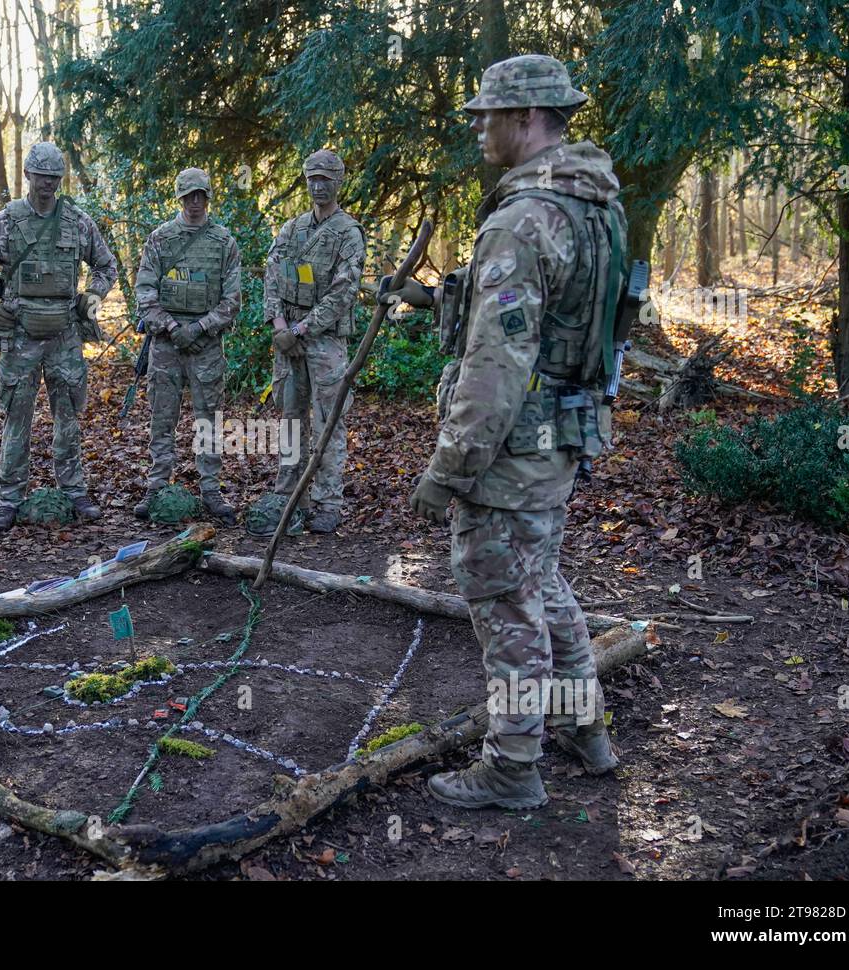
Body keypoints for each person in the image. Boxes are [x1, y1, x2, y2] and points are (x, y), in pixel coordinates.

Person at [385, 54, 625, 809]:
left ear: (527, 118)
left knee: (507, 605)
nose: (479, 128)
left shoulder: (524, 220)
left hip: (512, 452)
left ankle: (513, 767)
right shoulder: (596, 206)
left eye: (489, 114)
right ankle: (586, 732)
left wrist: (448, 468)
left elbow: (496, 366)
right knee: (545, 587)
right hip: (564, 435)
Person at [0, 142, 118, 530]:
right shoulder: (5, 223)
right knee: (17, 416)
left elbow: (106, 266)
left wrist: (92, 300)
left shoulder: (77, 222)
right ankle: (8, 498)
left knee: (68, 415)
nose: (47, 183)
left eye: (53, 177)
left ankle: (74, 490)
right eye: (40, 175)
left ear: (59, 180)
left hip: (65, 333)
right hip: (19, 337)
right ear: (27, 176)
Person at [260, 149, 366, 534]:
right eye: (312, 179)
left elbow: (342, 294)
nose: (318, 186)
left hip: (324, 344)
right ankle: (290, 495)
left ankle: (327, 501)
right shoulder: (291, 229)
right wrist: (278, 325)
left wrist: (301, 329)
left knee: (327, 424)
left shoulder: (348, 233)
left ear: (339, 182)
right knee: (290, 422)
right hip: (288, 342)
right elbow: (271, 276)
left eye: (326, 179)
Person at [132, 167, 242, 525]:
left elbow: (232, 299)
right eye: (188, 196)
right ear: (179, 198)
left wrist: (198, 329)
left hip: (205, 346)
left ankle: (211, 489)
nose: (195, 203)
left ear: (208, 197)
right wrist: (170, 326)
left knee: (208, 420)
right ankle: (157, 486)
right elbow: (144, 291)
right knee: (162, 417)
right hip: (166, 345)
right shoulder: (161, 239)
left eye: (201, 196)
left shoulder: (223, 242)